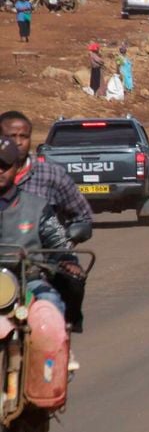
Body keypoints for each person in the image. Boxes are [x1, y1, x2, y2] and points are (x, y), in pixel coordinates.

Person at [1, 111, 93, 332]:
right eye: (12, 136)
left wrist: (64, 255)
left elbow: (67, 230)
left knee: (50, 311)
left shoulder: (40, 201)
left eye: (24, 136)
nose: (19, 142)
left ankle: (56, 359)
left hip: (32, 276)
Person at [0, 136, 83, 372]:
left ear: (16, 168)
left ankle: (57, 358)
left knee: (51, 304)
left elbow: (57, 240)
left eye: (4, 166)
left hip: (29, 281)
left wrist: (67, 259)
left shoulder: (38, 207)